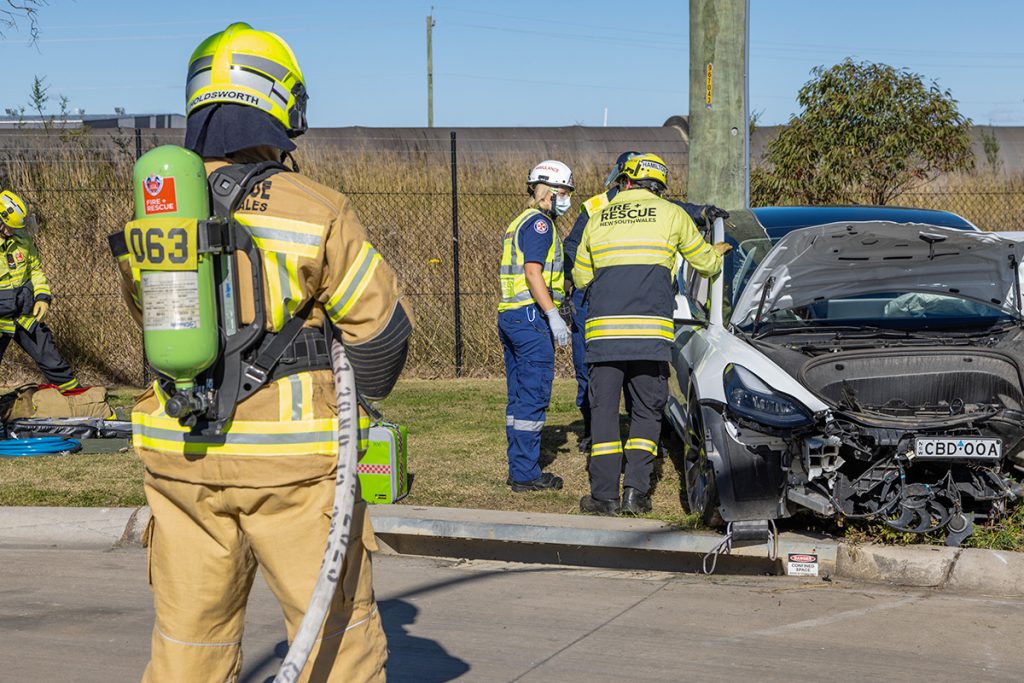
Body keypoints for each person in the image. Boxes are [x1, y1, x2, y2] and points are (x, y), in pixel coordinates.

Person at [114, 23, 412, 681]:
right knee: (336, 645)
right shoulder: (315, 208)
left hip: (180, 460)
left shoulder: (153, 215)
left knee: (187, 649)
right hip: (295, 473)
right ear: (279, 103)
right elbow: (383, 335)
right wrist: (349, 402)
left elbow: (156, 324)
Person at [571, 153, 729, 515]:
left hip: (604, 337)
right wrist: (716, 253)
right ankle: (636, 494)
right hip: (649, 337)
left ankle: (604, 497)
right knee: (646, 413)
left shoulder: (597, 218)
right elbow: (705, 264)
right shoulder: (672, 214)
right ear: (659, 186)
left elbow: (580, 277)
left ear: (625, 181)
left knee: (605, 414)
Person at [498, 160, 574, 492]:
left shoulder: (521, 221)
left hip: (513, 316)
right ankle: (526, 474)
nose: (566, 199)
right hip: (532, 319)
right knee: (532, 395)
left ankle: (519, 465)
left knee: (518, 397)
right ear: (547, 192)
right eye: (563, 192)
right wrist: (553, 314)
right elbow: (533, 273)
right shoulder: (541, 225)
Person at [0, 190, 80, 392]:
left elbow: (35, 270)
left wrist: (42, 297)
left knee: (51, 359)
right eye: (11, 227)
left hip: (24, 316)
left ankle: (76, 400)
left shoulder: (23, 241)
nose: (14, 231)